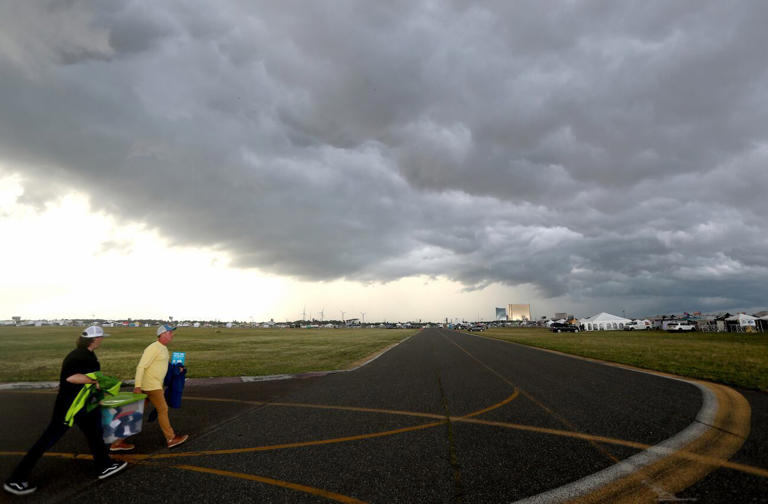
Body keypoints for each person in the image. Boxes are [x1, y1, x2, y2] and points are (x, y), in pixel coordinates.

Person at [4, 326, 127, 496]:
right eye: (100, 337)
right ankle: (16, 479)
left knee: (95, 433)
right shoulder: (81, 356)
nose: (102, 340)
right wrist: (94, 382)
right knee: (47, 440)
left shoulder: (84, 353)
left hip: (82, 405)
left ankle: (104, 465)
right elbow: (71, 377)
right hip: (70, 407)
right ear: (94, 339)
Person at [110, 324, 188, 451]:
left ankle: (117, 443)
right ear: (162, 334)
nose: (171, 335)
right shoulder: (153, 348)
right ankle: (171, 438)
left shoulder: (163, 348)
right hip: (150, 386)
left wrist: (176, 369)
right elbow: (141, 367)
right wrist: (137, 386)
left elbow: (163, 367)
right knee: (163, 410)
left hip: (153, 385)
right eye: (169, 332)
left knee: (136, 414)